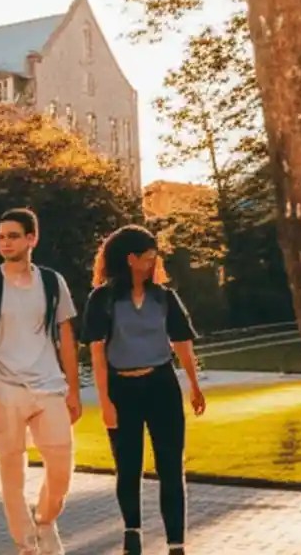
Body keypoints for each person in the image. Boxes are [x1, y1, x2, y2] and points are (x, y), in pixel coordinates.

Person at [82, 225, 205, 555]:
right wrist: (105, 401)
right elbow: (97, 352)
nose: (153, 263)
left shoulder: (164, 297)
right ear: (131, 259)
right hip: (122, 389)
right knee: (128, 465)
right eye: (148, 257)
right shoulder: (103, 298)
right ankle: (132, 532)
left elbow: (182, 342)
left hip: (161, 385)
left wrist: (194, 385)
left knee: (170, 465)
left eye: (155, 258)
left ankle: (176, 543)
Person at [0, 208, 80, 555]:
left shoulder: (52, 281)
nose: (5, 242)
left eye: (13, 235)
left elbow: (66, 337)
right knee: (12, 473)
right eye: (1, 236)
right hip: (6, 388)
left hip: (49, 386)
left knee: (62, 467)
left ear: (32, 239)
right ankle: (26, 544)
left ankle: (45, 520)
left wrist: (73, 389)